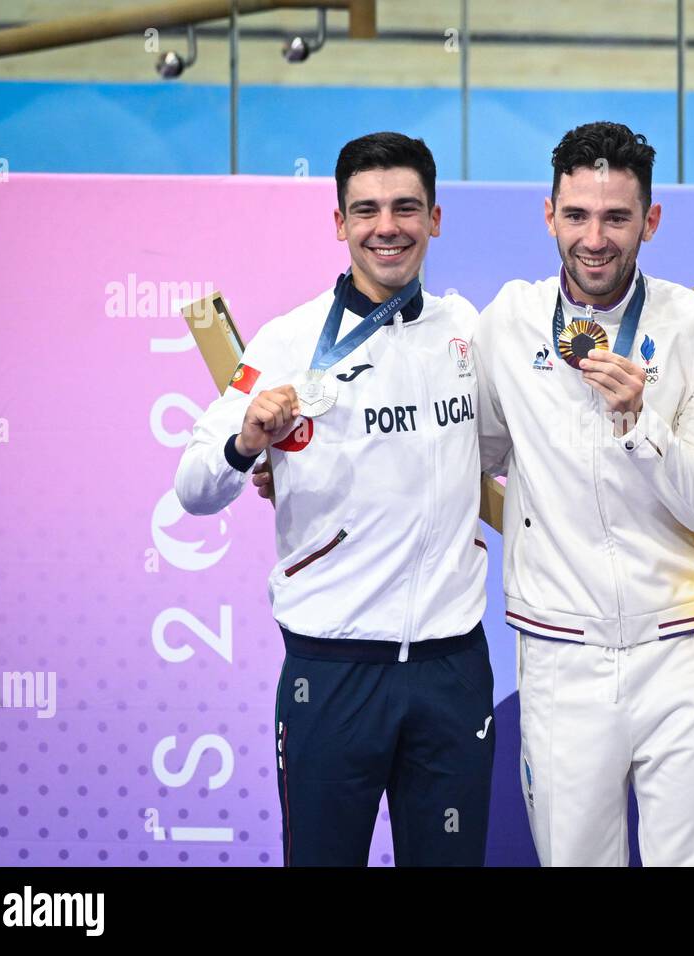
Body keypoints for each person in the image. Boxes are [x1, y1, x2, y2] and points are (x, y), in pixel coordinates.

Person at [176, 131, 494, 867]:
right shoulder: (287, 341)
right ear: (340, 223)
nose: (388, 226)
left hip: (451, 671)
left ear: (436, 218)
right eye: (367, 210)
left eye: (406, 208)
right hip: (331, 671)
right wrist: (248, 441)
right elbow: (194, 487)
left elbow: (512, 452)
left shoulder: (469, 333)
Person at [472, 122, 694, 866]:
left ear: (650, 221)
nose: (596, 238)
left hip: (681, 649)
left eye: (617, 217)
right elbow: (474, 457)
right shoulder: (507, 322)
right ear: (549, 213)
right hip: (559, 653)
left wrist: (639, 423)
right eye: (578, 215)